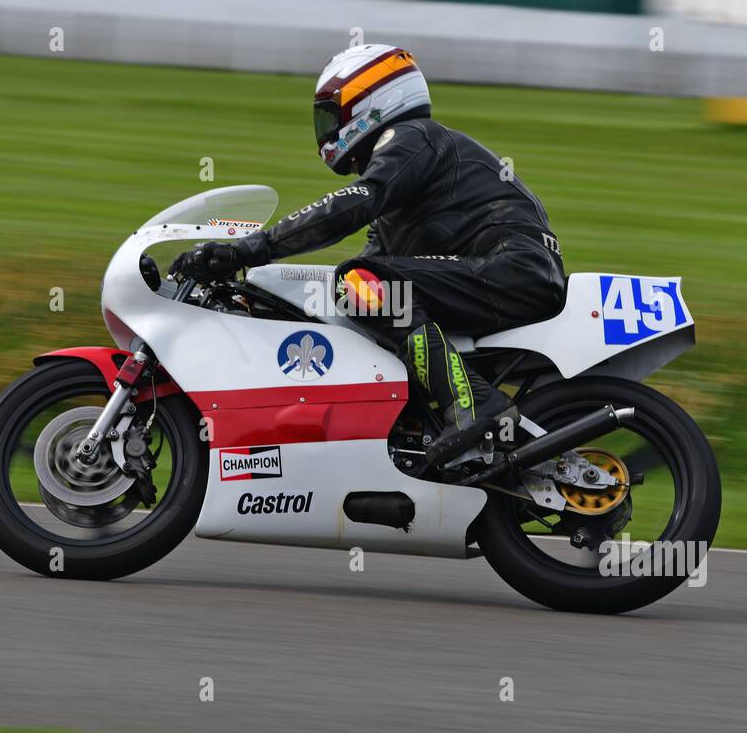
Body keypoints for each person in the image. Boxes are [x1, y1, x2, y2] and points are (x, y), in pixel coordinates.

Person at [170, 44, 567, 465]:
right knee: (362, 291)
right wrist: (263, 298)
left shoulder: (411, 137)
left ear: (373, 100)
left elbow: (354, 205)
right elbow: (364, 294)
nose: (325, 129)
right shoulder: (400, 190)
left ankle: (472, 403)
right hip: (499, 271)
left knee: (357, 281)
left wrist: (251, 249)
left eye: (331, 114)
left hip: (512, 266)